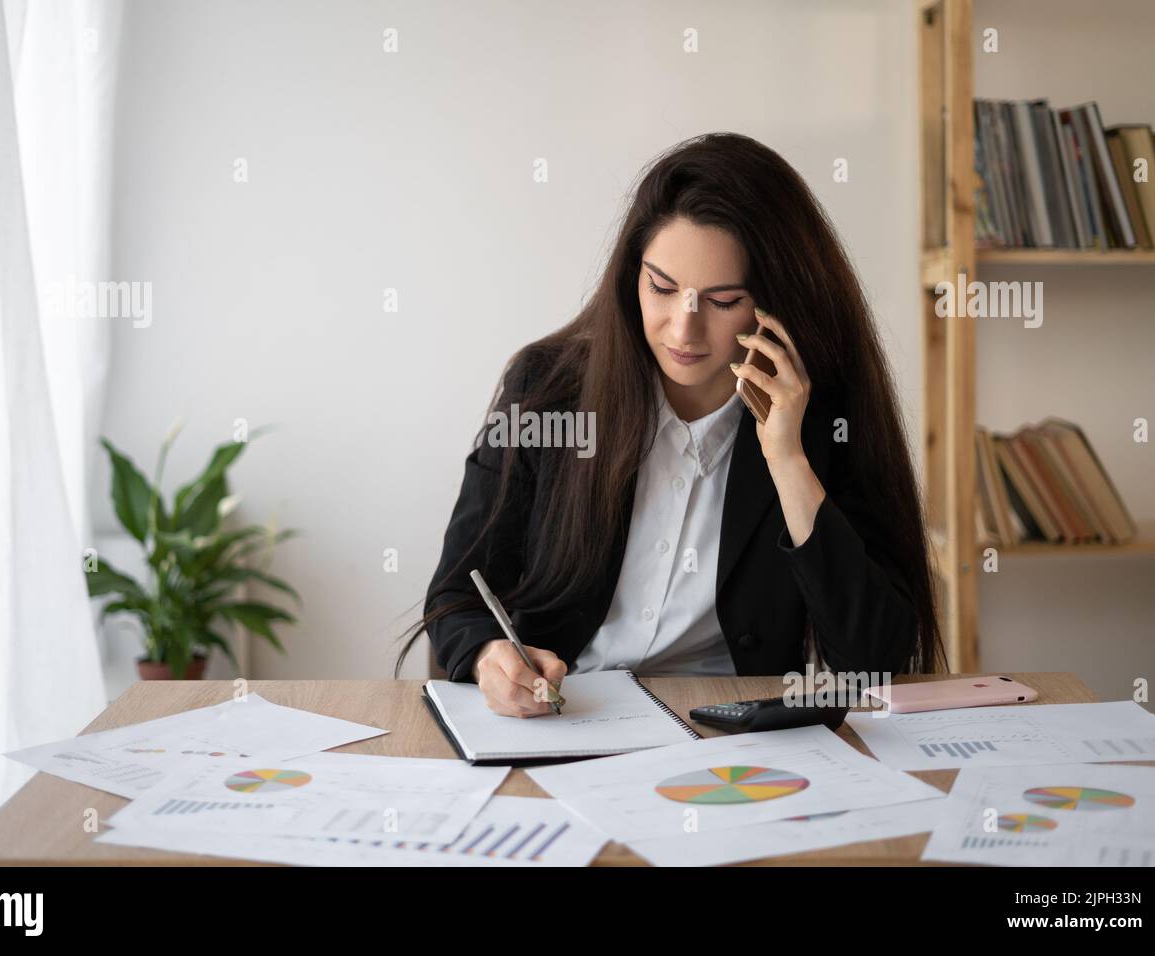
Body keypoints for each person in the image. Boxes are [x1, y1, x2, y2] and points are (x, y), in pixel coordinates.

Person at [396, 132, 944, 717]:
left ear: (777, 303)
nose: (683, 331)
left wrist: (788, 461)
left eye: (723, 300)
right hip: (568, 720)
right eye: (662, 287)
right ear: (632, 276)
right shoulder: (546, 393)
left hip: (732, 736)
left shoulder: (822, 416)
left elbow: (873, 659)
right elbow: (456, 597)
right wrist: (487, 655)